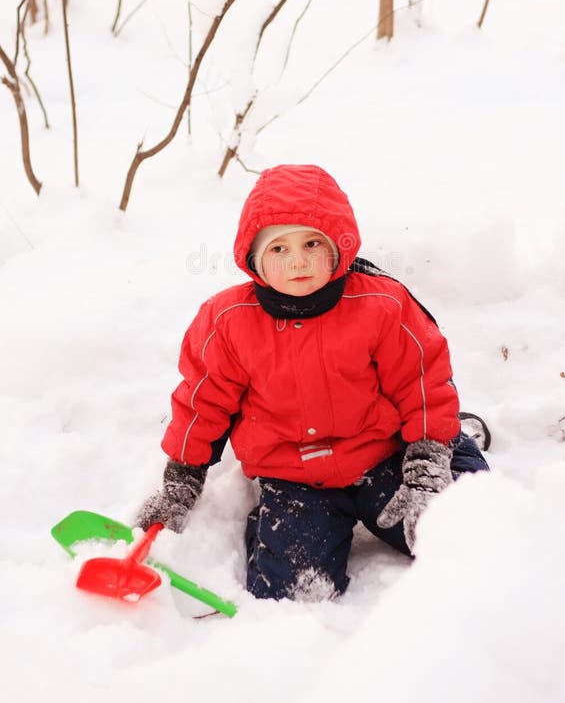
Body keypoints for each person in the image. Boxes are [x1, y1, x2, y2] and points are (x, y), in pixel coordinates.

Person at [136, 164, 489, 601]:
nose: (297, 260)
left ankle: (454, 447)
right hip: (294, 475)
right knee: (294, 591)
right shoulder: (227, 321)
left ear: (338, 246)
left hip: (382, 455)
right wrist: (181, 481)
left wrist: (427, 464)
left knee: (468, 533)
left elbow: (422, 381)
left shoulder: (380, 304)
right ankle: (274, 525)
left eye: (311, 243)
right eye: (278, 248)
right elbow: (202, 403)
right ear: (253, 257)